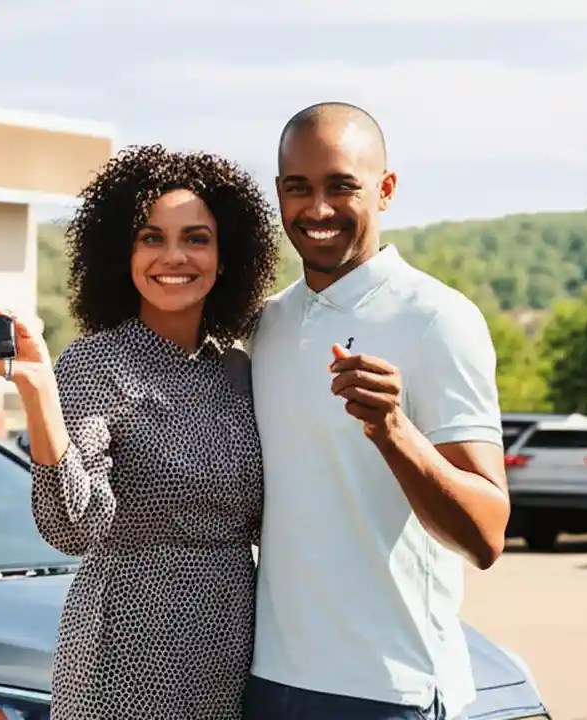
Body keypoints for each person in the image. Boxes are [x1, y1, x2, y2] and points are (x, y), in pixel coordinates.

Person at [0, 144, 279, 719]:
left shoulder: (239, 370)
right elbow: (72, 526)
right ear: (122, 251)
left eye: (196, 238)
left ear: (225, 253)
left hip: (230, 648)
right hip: (124, 649)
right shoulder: (95, 363)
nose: (174, 256)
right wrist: (39, 391)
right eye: (150, 237)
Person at [243, 102, 510, 719]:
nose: (317, 209)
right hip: (269, 682)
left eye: (342, 186)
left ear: (385, 191)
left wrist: (393, 433)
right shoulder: (269, 322)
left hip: (390, 692)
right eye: (298, 188)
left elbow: (487, 534)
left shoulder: (437, 319)